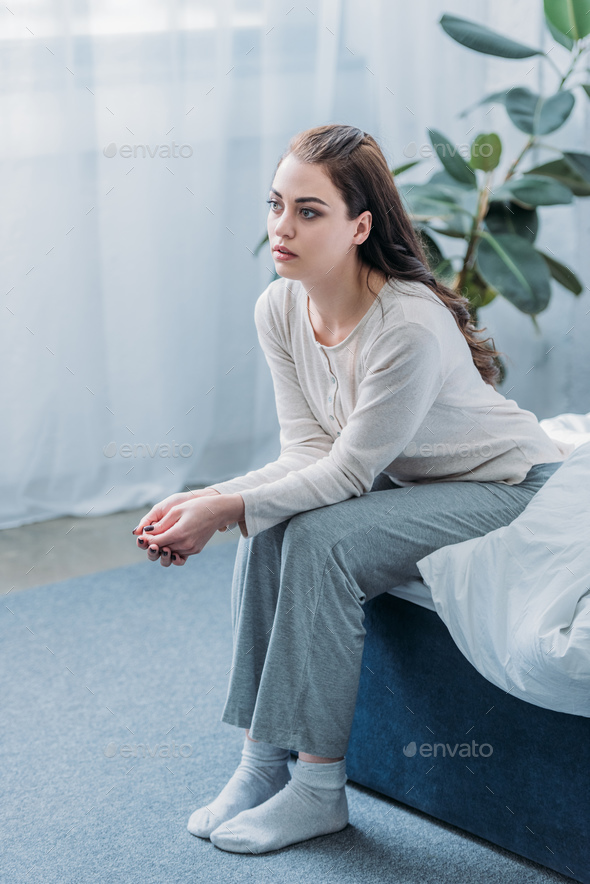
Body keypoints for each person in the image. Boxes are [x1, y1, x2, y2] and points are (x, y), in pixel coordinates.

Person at [131, 124, 572, 855]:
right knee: (274, 525)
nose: (282, 226)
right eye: (276, 204)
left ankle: (317, 790)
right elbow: (307, 451)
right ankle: (262, 763)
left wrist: (219, 509)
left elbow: (346, 476)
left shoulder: (408, 326)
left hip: (514, 487)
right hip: (421, 486)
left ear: (360, 226)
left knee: (319, 539)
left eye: (309, 211)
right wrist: (208, 500)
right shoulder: (280, 307)